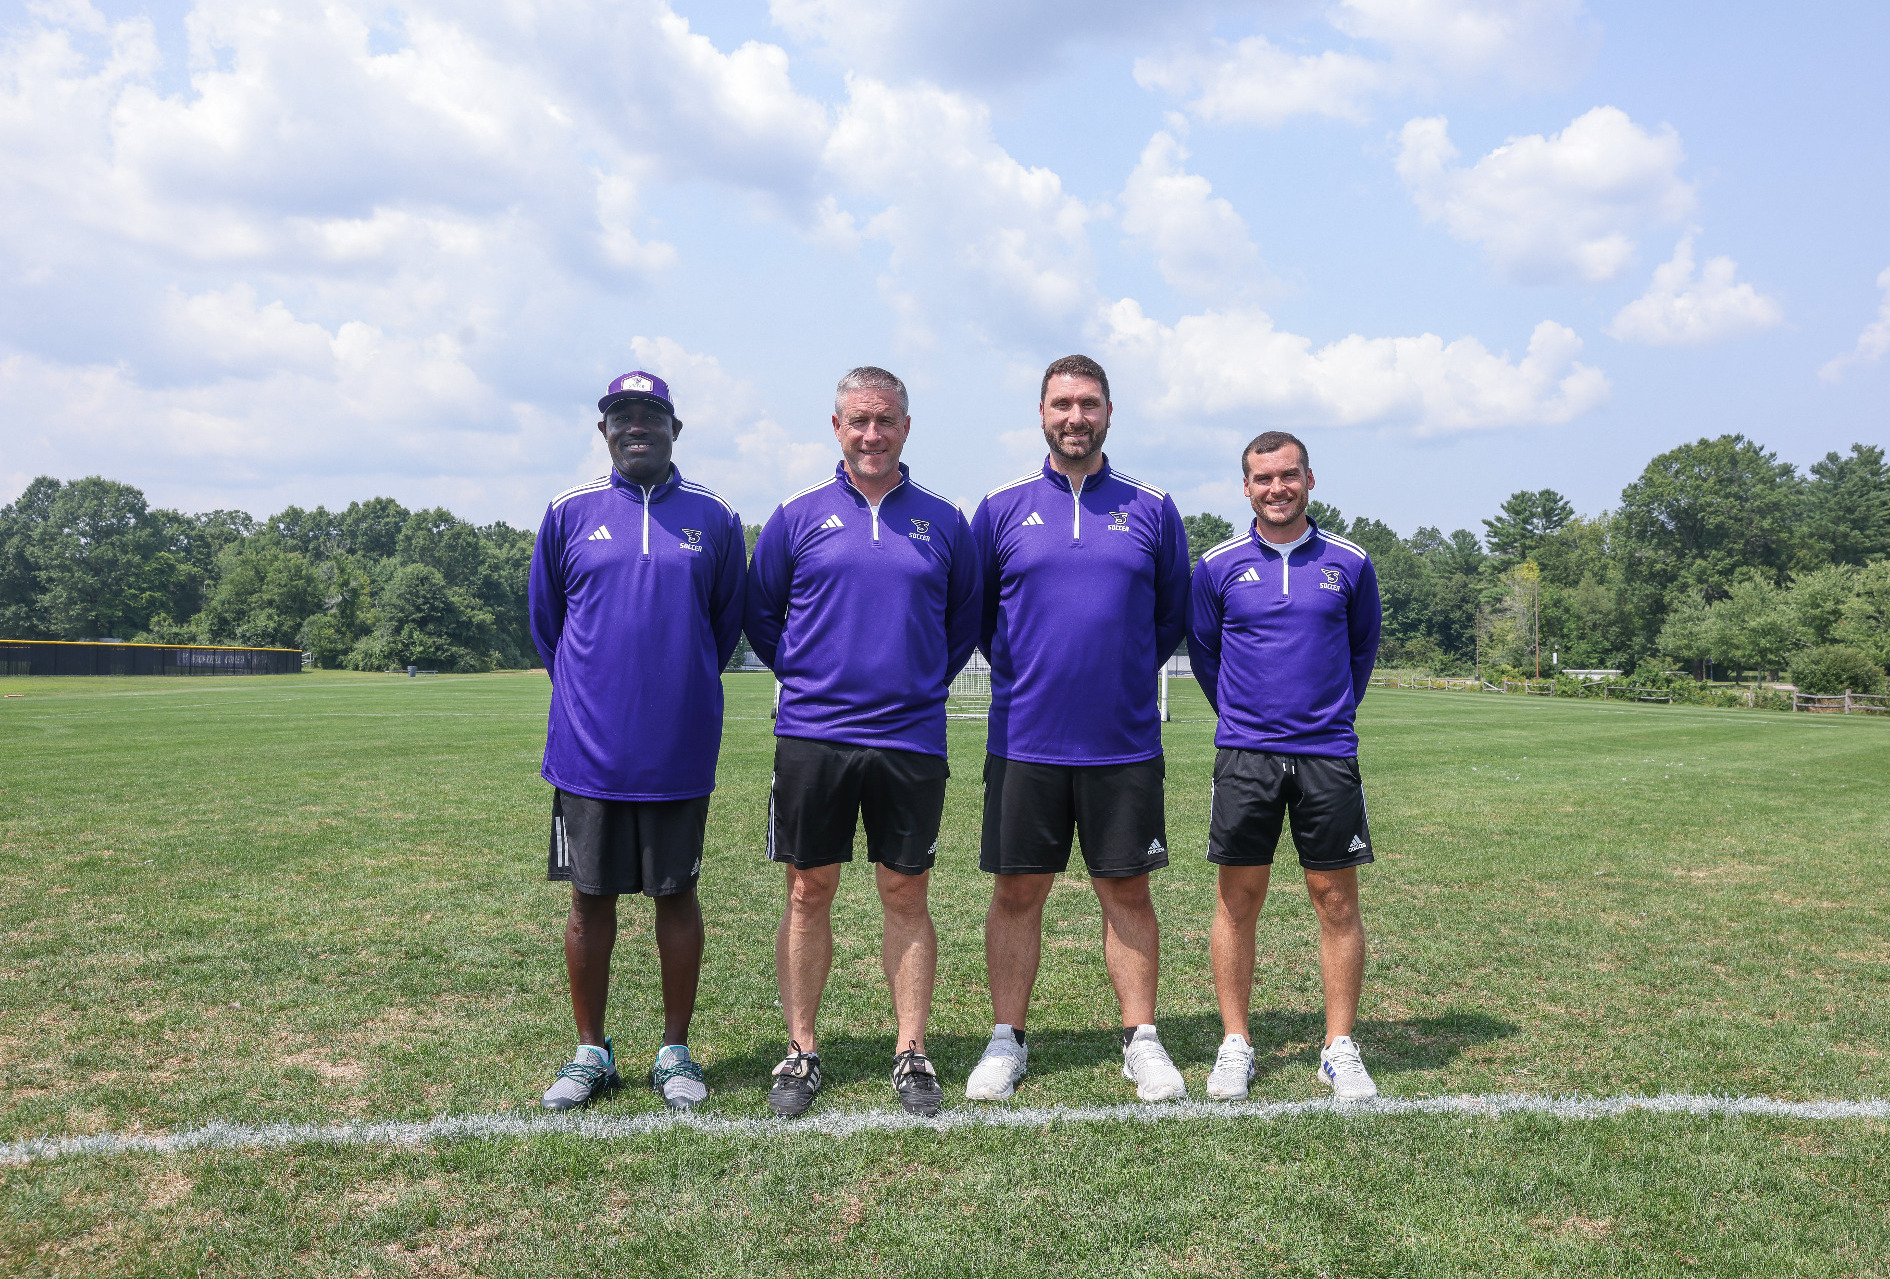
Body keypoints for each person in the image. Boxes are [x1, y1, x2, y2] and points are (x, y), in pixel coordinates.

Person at [744, 366, 980, 1118]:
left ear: (906, 427)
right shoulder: (795, 514)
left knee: (905, 891)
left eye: (884, 420)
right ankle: (801, 1049)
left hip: (910, 738)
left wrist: (911, 680)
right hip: (813, 735)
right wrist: (816, 679)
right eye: (857, 420)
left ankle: (911, 1050)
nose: (871, 433)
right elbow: (761, 614)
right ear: (836, 426)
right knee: (809, 890)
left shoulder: (943, 520)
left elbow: (964, 622)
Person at [964, 354, 1192, 1103]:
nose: (1075, 417)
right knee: (1017, 892)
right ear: (1041, 413)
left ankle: (1142, 1040)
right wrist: (1035, 672)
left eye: (1088, 403)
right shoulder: (999, 507)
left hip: (1122, 742)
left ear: (1108, 413)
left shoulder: (1152, 507)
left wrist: (1114, 672)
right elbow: (978, 617)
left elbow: (1167, 618)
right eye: (1061, 403)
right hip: (1024, 738)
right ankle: (1006, 1040)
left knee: (1126, 891)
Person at [528, 371, 746, 1112]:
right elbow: (546, 626)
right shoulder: (567, 512)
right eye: (621, 416)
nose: (635, 426)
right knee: (589, 900)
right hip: (588, 752)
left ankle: (675, 1049)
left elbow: (721, 627)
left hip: (678, 749)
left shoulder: (713, 517)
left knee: (676, 895)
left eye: (650, 414)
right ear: (604, 431)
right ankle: (591, 1049)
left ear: (674, 428)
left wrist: (672, 686)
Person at [1187, 430, 1382, 1101]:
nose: (1277, 488)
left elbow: (1360, 653)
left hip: (1327, 754)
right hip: (1245, 755)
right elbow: (1208, 659)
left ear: (1309, 479)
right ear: (1246, 486)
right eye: (1263, 478)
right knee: (1238, 898)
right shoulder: (1217, 565)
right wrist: (1250, 717)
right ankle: (1235, 1041)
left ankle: (1339, 1046)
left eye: (1289, 475)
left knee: (1336, 899)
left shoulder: (1351, 563)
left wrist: (1321, 714)